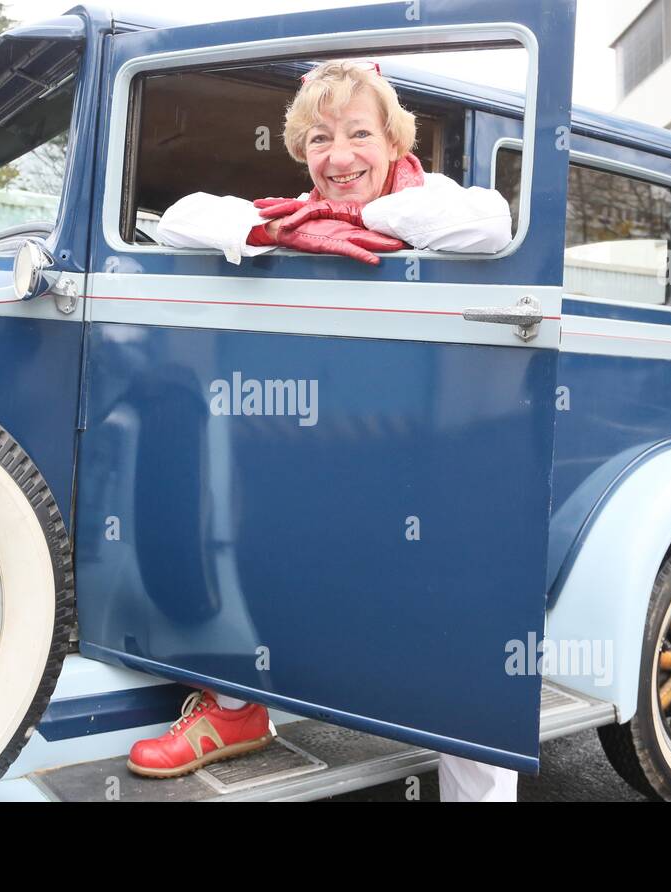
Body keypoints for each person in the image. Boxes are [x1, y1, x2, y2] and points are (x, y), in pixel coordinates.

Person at [131, 60, 518, 803]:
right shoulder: (294, 210)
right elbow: (178, 217)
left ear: (395, 138)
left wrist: (356, 218)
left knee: (456, 637)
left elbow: (491, 222)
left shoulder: (429, 198)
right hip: (312, 440)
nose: (338, 157)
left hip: (425, 453)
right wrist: (281, 224)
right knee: (260, 553)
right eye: (319, 138)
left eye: (358, 134)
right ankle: (239, 708)